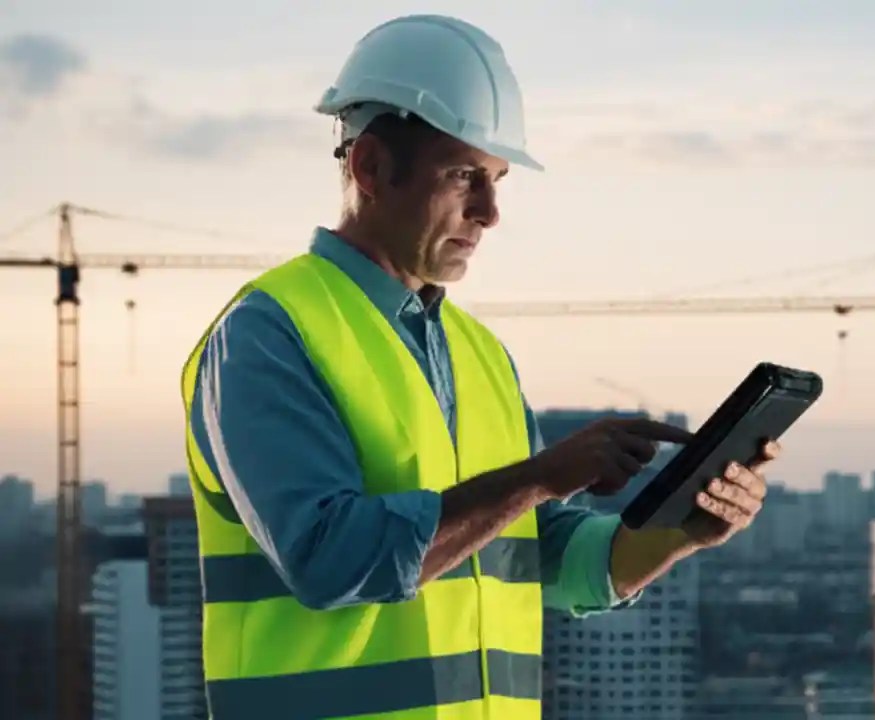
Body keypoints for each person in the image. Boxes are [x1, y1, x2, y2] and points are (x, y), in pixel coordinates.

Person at [179, 14, 781, 720]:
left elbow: (537, 556)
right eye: (465, 175)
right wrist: (538, 477)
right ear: (369, 168)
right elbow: (330, 559)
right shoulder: (269, 334)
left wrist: (679, 529)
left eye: (496, 179)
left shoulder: (478, 353)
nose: (490, 212)